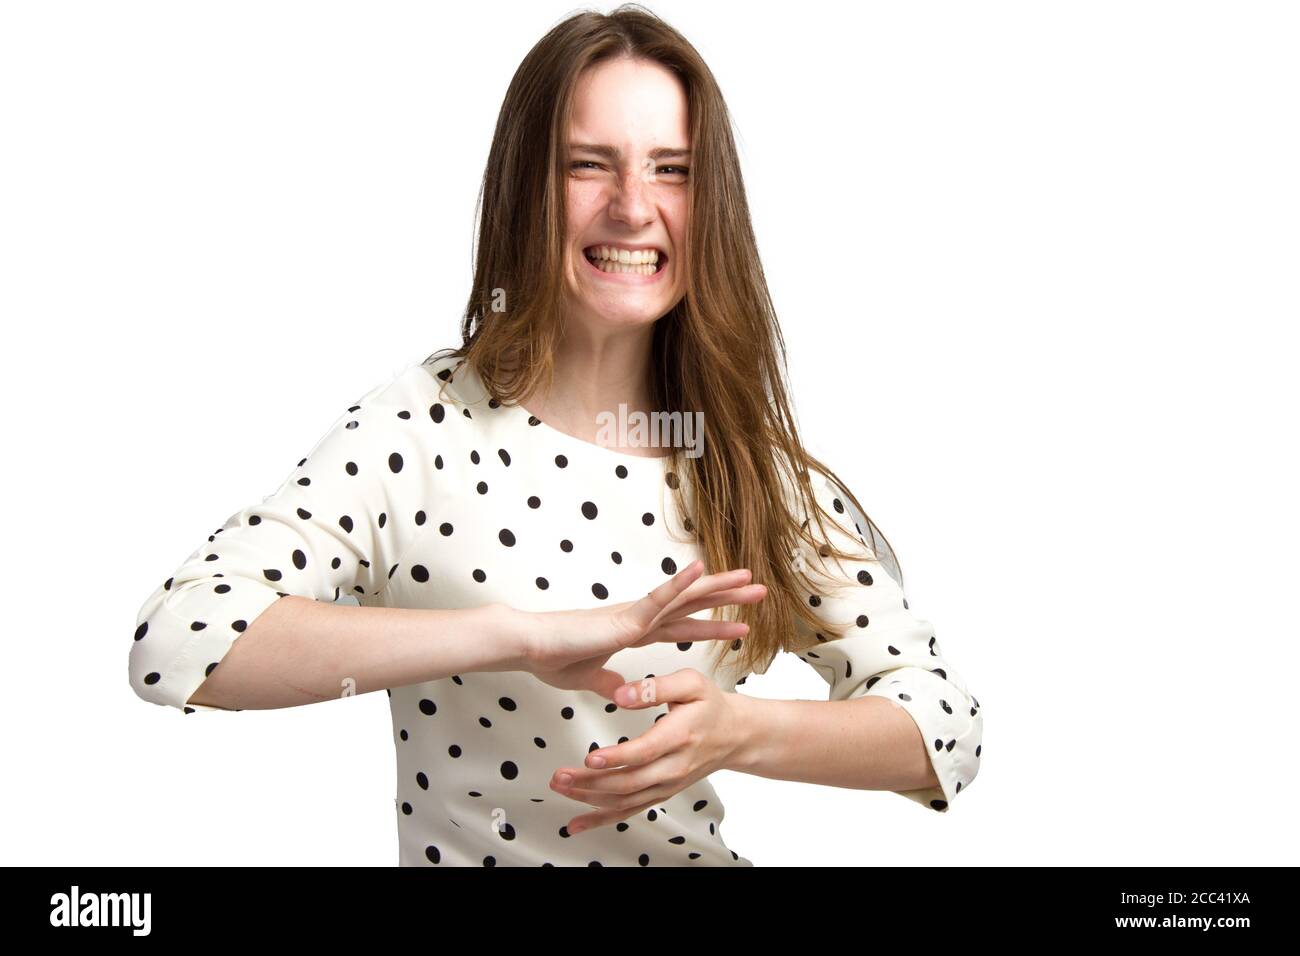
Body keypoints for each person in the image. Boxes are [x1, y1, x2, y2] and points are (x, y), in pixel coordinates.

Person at [129, 4, 983, 867]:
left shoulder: (741, 465)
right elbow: (180, 640)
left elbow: (945, 729)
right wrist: (514, 635)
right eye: (588, 165)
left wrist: (738, 734)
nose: (633, 207)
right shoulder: (423, 426)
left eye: (673, 170)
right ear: (527, 186)